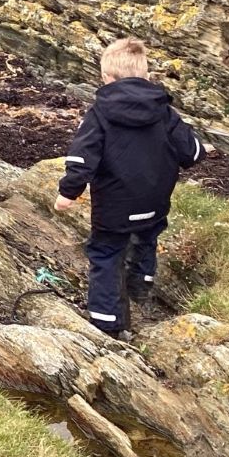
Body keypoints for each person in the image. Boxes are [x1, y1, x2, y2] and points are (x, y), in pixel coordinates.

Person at [54, 38, 204, 339]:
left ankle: (107, 320)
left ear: (106, 77)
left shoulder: (100, 113)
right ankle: (140, 285)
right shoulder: (164, 112)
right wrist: (197, 144)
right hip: (154, 201)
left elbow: (82, 158)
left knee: (106, 254)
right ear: (146, 74)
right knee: (146, 239)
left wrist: (68, 193)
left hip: (114, 205)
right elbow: (194, 154)